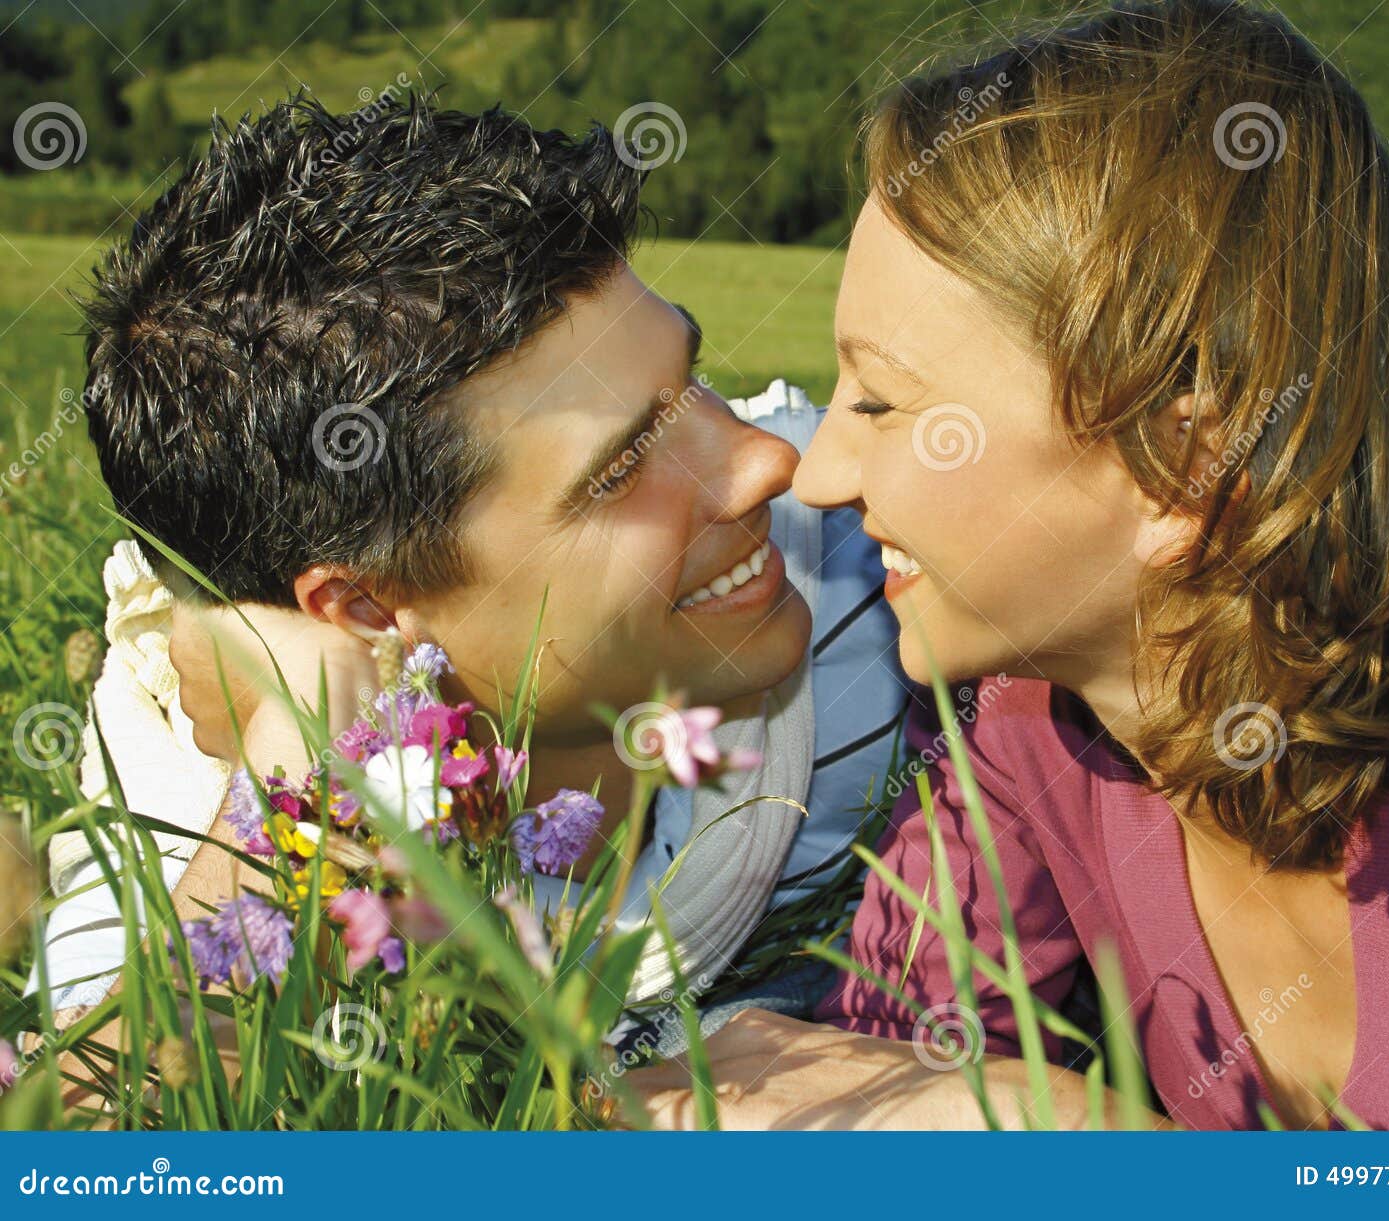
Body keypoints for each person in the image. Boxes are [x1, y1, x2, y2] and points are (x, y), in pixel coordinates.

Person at [631, 0, 1389, 1130]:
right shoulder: (1030, 725)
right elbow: (890, 1094)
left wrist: (1090, 1139)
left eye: (885, 403)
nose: (822, 473)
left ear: (1182, 458)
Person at [40, 97, 907, 1048]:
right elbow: (100, 1111)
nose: (766, 464)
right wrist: (303, 745)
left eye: (693, 382)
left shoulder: (862, 543)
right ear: (366, 607)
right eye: (621, 468)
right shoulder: (182, 820)